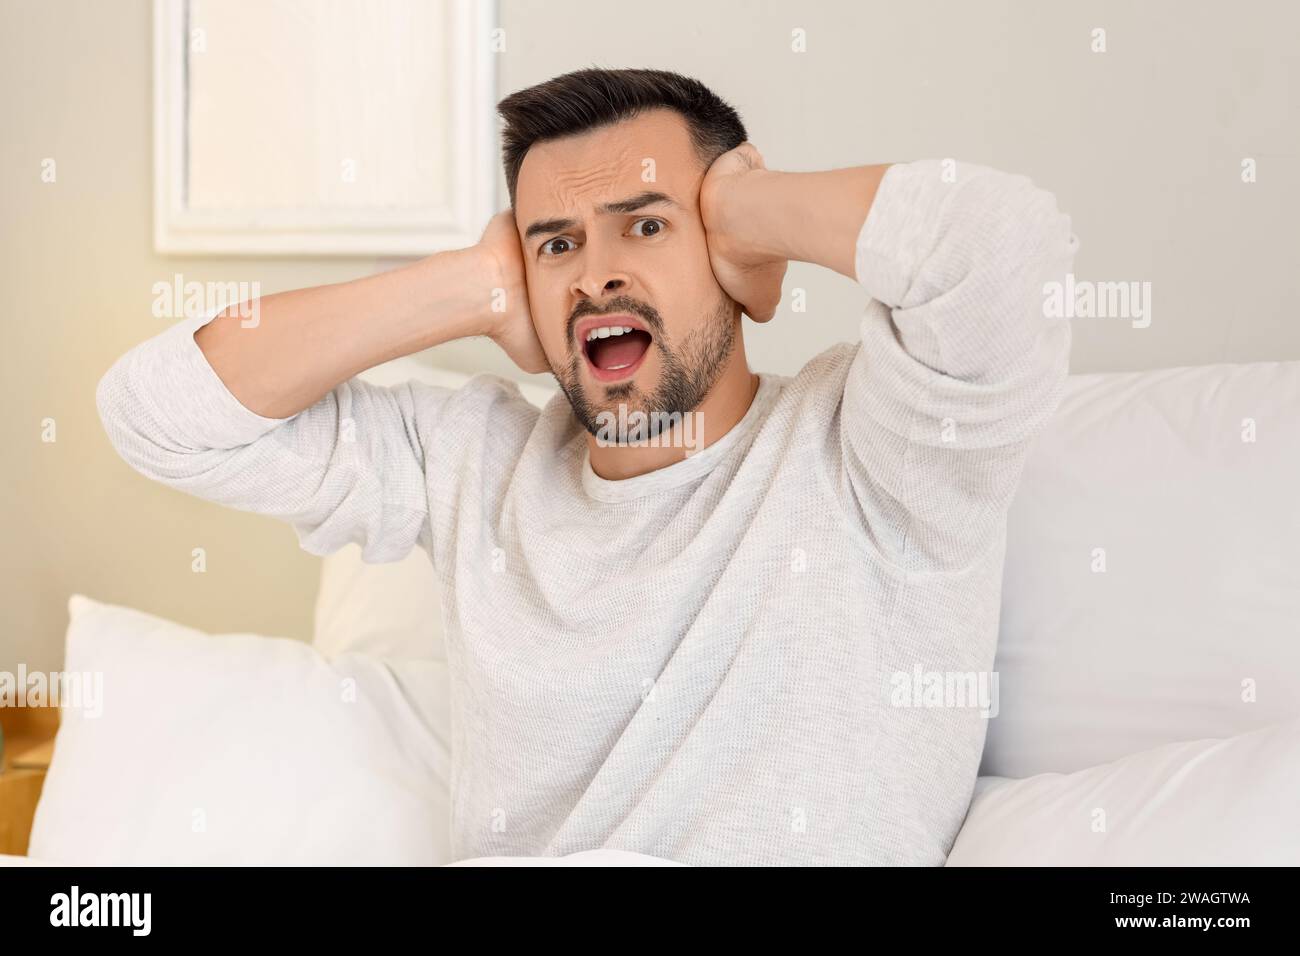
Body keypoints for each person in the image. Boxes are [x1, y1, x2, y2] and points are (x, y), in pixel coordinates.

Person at [97, 67, 1077, 865]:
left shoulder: (875, 449)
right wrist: (473, 283)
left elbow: (1002, 247)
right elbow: (157, 414)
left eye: (646, 225)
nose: (595, 272)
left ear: (734, 255)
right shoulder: (472, 458)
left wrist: (748, 209)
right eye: (554, 244)